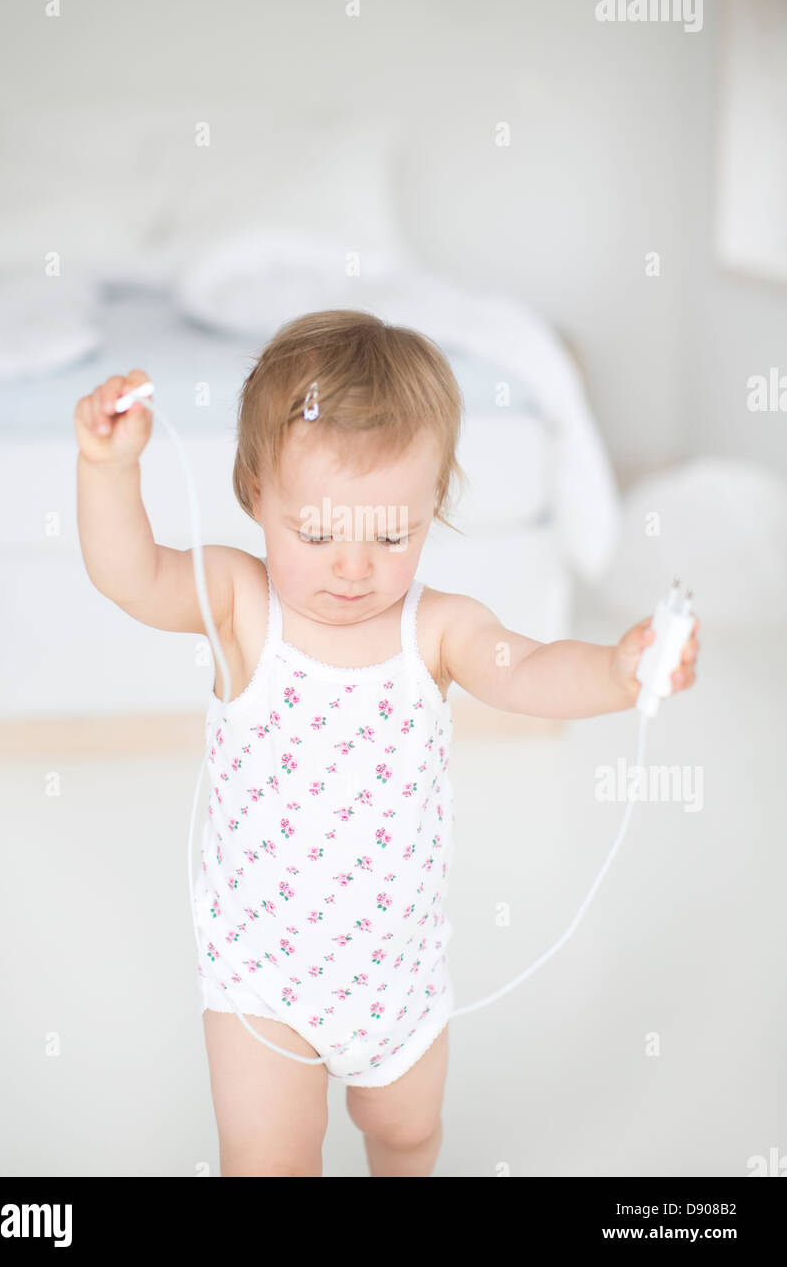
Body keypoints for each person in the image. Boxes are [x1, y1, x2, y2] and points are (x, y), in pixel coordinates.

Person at [74, 308, 699, 1177]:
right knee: (267, 1162)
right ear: (255, 491)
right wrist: (110, 468)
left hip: (396, 980)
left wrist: (617, 672)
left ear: (430, 506)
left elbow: (525, 669)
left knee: (404, 1133)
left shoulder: (434, 628)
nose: (353, 567)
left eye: (392, 536)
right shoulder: (241, 604)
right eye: (318, 533)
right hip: (265, 977)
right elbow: (130, 574)